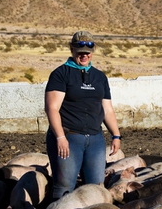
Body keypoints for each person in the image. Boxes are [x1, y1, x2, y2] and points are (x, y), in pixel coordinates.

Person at [44, 30, 121, 199]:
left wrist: (116, 135)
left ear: (93, 52)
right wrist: (60, 137)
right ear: (72, 50)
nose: (84, 56)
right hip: (69, 138)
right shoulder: (61, 74)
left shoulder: (99, 77)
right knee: (65, 185)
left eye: (87, 52)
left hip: (95, 139)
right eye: (80, 52)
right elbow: (52, 108)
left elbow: (107, 109)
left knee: (95, 187)